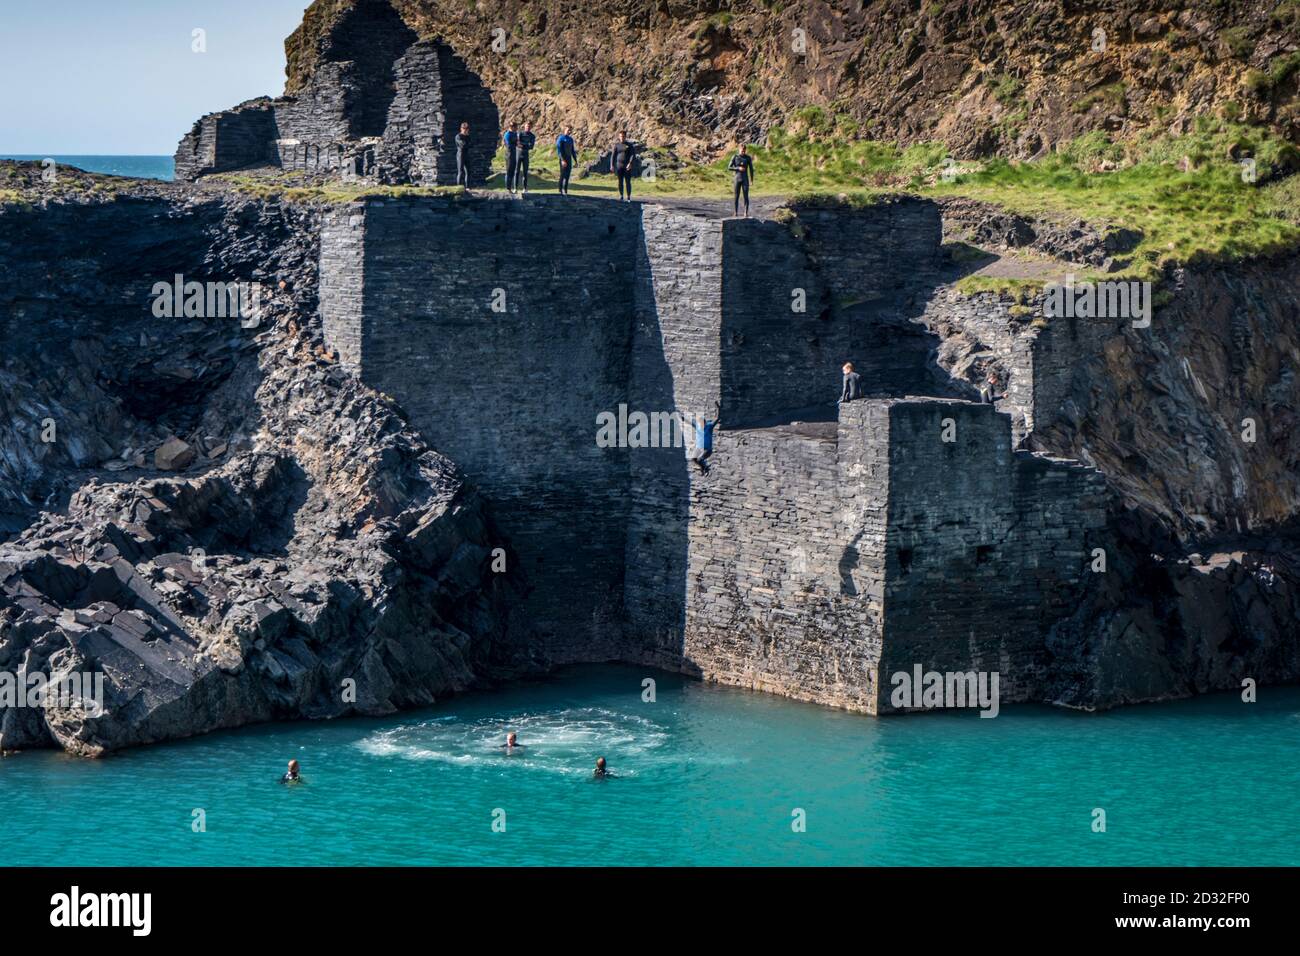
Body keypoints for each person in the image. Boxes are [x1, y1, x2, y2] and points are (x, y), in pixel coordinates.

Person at [687, 402, 722, 475]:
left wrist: (718, 408)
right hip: (699, 448)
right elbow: (690, 422)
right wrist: (683, 418)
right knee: (693, 459)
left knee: (700, 459)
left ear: (705, 423)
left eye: (703, 424)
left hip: (707, 450)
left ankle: (705, 467)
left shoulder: (709, 427)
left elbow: (718, 418)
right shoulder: (698, 427)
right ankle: (703, 467)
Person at [728, 143, 754, 218]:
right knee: (736, 196)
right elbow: (729, 167)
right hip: (737, 178)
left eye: (744, 151)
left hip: (745, 179)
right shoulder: (735, 157)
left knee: (746, 196)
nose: (743, 152)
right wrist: (738, 168)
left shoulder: (748, 158)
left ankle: (745, 213)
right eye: (742, 151)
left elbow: (751, 169)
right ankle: (735, 212)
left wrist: (751, 180)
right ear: (739, 149)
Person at [612, 131, 635, 201]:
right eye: (621, 136)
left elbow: (632, 155)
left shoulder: (629, 145)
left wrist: (630, 163)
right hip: (619, 166)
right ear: (619, 137)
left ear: (625, 137)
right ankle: (621, 195)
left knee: (628, 181)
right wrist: (612, 165)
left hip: (627, 166)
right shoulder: (617, 145)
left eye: (623, 136)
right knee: (620, 181)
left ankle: (628, 197)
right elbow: (613, 156)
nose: (622, 138)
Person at [556, 126, 577, 195]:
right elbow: (559, 150)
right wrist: (562, 160)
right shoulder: (561, 138)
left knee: (568, 175)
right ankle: (560, 190)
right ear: (564, 130)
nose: (569, 131)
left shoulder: (570, 139)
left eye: (570, 130)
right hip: (563, 158)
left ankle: (565, 190)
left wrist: (575, 161)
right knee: (562, 174)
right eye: (568, 130)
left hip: (569, 158)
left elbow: (572, 150)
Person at [516, 122, 536, 194]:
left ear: (531, 127)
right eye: (527, 126)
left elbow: (531, 146)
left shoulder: (532, 136)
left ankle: (524, 188)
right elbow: (518, 144)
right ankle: (515, 188)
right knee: (517, 171)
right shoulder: (520, 134)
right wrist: (526, 144)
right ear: (524, 126)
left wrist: (523, 144)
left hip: (526, 155)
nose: (528, 128)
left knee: (525, 172)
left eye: (529, 126)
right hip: (518, 154)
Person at [502, 121, 519, 194]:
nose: (516, 128)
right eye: (515, 127)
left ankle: (510, 188)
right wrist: (516, 144)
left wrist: (517, 144)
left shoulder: (514, 134)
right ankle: (507, 188)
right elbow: (508, 145)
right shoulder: (507, 134)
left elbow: (516, 142)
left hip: (514, 153)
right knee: (508, 171)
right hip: (509, 154)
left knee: (512, 171)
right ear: (511, 127)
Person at [455, 122, 471, 187]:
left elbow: (471, 144)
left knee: (468, 171)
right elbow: (463, 145)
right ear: (461, 128)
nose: (465, 130)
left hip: (466, 154)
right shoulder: (458, 136)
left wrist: (468, 144)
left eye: (466, 128)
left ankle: (467, 186)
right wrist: (467, 144)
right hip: (460, 155)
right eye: (464, 128)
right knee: (460, 171)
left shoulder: (468, 136)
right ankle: (458, 186)